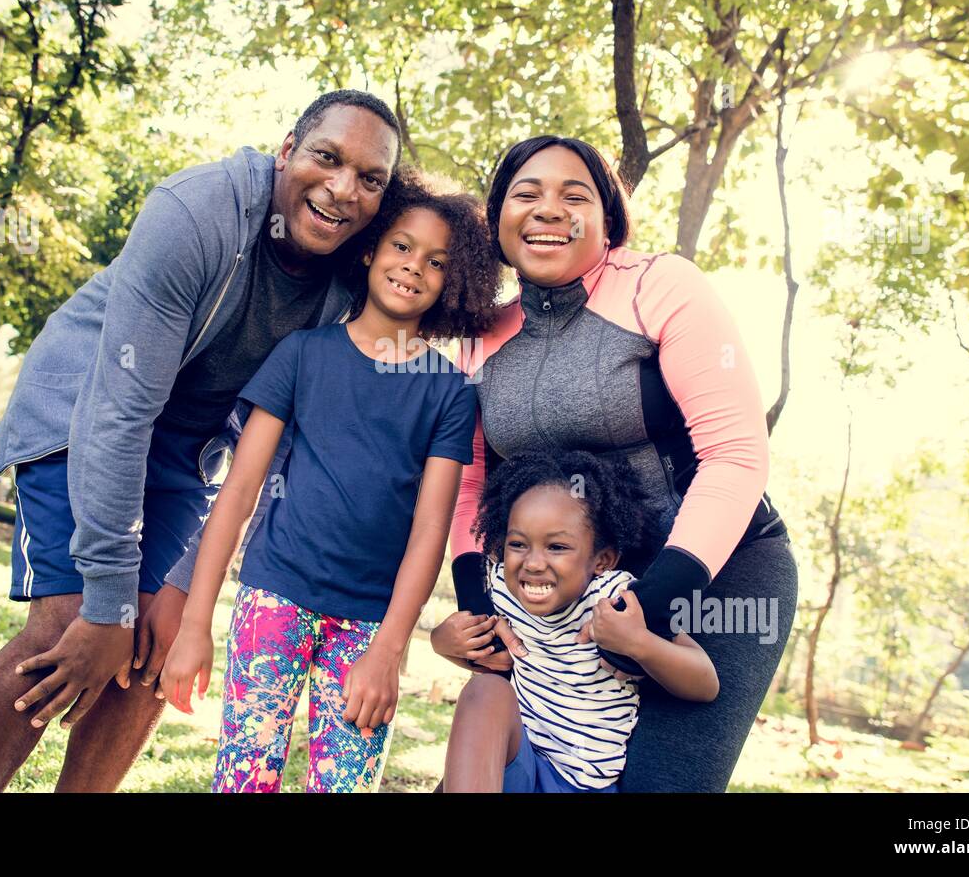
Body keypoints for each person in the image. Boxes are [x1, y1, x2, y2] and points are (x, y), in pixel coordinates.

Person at [0, 90, 403, 792]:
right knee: (70, 623)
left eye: (370, 179)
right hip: (84, 416)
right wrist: (107, 601)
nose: (343, 189)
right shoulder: (195, 212)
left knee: (161, 645)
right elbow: (118, 411)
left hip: (188, 460)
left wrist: (183, 583)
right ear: (287, 149)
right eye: (327, 157)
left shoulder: (356, 281)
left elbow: (269, 445)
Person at [446, 135, 798, 792]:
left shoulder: (661, 287)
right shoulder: (482, 337)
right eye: (527, 193)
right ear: (497, 219)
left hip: (719, 577)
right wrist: (480, 611)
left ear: (608, 223)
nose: (549, 208)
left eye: (574, 195)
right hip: (571, 583)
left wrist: (651, 606)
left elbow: (736, 453)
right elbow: (471, 488)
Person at [159, 174, 501, 792]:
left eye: (436, 262)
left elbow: (430, 531)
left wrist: (390, 650)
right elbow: (237, 495)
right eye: (401, 246)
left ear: (455, 282)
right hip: (273, 600)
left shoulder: (450, 391)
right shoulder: (301, 353)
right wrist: (193, 626)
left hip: (369, 625)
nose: (413, 267)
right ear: (369, 248)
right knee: (242, 783)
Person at [433, 450, 718, 792]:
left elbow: (705, 683)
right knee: (485, 689)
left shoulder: (616, 601)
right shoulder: (504, 591)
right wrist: (442, 642)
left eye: (556, 547)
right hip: (517, 765)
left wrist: (639, 644)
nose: (534, 563)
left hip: (579, 783)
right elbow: (482, 659)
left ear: (602, 560)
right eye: (518, 544)